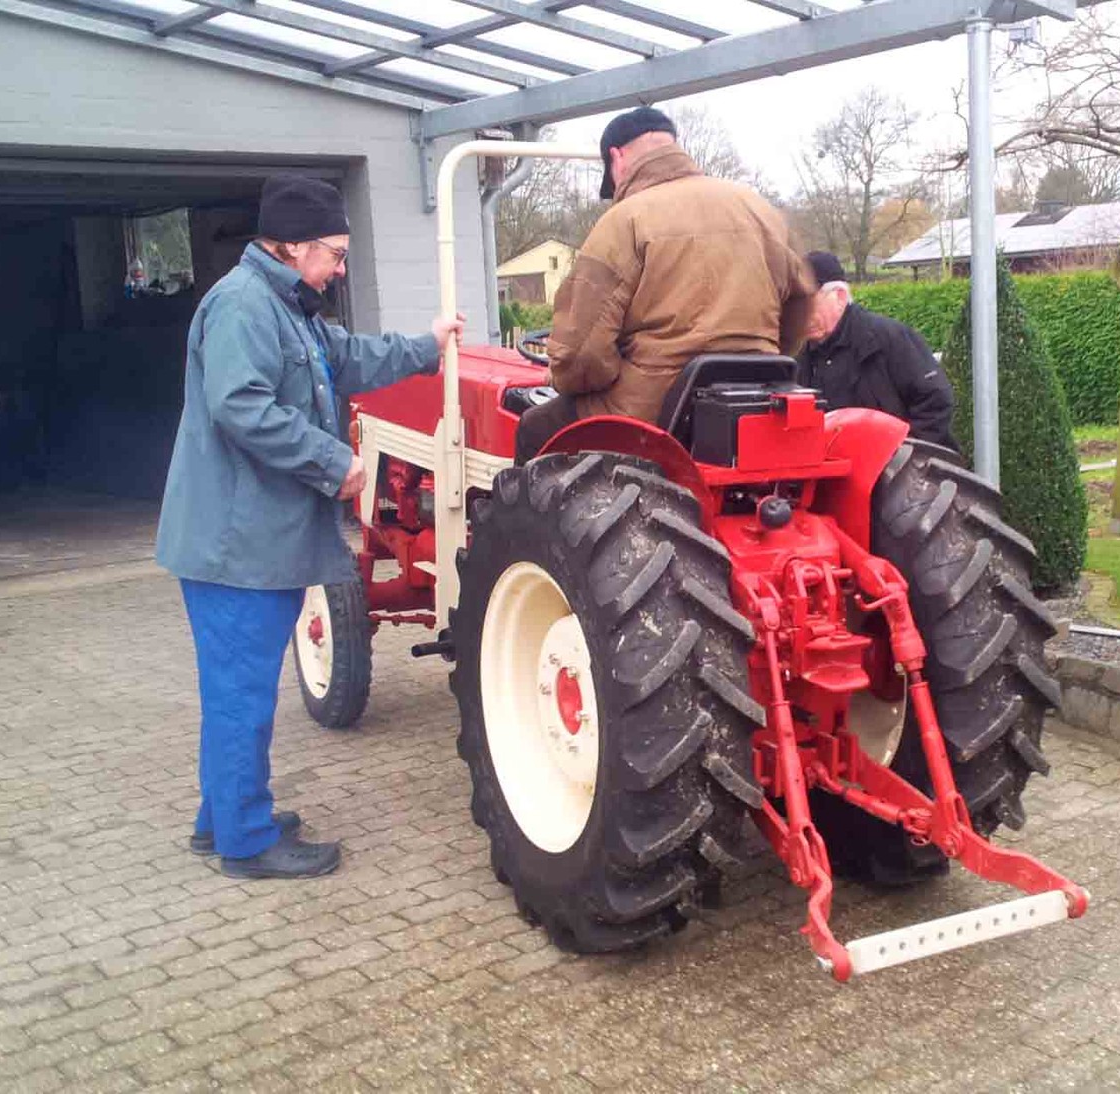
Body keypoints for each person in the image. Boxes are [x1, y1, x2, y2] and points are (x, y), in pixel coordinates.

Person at [155, 175, 464, 880]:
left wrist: (427, 345)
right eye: (334, 252)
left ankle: (224, 817)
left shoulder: (288, 306)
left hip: (256, 540)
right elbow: (241, 407)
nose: (341, 267)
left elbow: (347, 359)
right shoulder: (241, 307)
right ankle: (247, 843)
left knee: (236, 689)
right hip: (234, 547)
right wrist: (335, 462)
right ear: (292, 245)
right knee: (242, 694)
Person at [513, 107, 814, 462]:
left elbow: (582, 354)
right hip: (756, 396)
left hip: (656, 407)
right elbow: (801, 307)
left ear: (616, 156)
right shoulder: (760, 209)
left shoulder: (624, 220)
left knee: (535, 427)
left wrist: (570, 380)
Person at [796, 251, 958, 452]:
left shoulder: (889, 338)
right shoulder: (799, 354)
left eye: (807, 303)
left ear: (839, 296)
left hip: (899, 471)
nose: (799, 314)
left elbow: (935, 401)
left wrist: (897, 456)